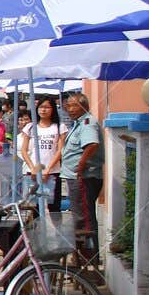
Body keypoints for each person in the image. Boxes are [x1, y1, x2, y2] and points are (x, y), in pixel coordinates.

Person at [51, 91, 104, 266]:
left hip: (83, 177)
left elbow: (92, 145)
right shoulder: (78, 123)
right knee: (79, 219)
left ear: (84, 106)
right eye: (67, 106)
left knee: (84, 221)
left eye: (73, 105)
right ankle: (82, 256)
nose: (69, 109)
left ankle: (90, 260)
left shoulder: (88, 123)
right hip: (76, 177)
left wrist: (80, 166)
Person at [19, 96, 66, 207]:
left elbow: (60, 150)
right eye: (41, 107)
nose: (43, 110)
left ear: (53, 109)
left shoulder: (60, 127)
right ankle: (35, 225)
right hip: (33, 173)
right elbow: (24, 151)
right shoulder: (30, 127)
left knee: (54, 206)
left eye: (47, 107)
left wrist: (48, 169)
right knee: (33, 207)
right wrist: (32, 168)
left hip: (53, 172)